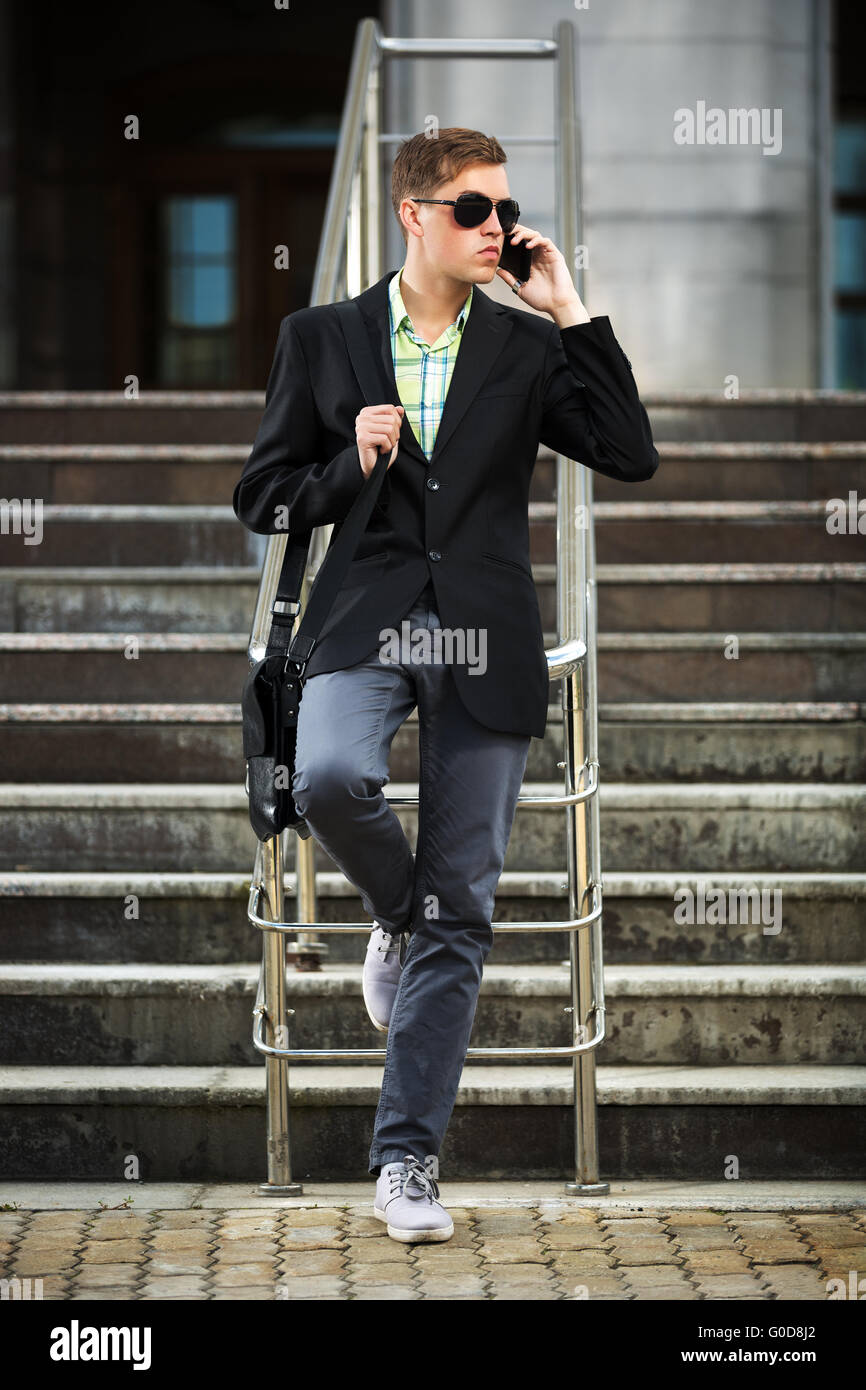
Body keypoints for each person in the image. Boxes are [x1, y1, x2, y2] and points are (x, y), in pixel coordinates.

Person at [232, 127, 659, 1244]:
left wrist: (566, 306)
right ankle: (392, 918)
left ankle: (405, 1161)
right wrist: (345, 465)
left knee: (461, 906)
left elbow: (627, 451)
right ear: (412, 214)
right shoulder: (319, 338)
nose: (497, 230)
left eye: (504, 210)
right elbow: (261, 499)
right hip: (363, 622)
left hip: (484, 632)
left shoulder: (521, 349)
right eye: (474, 209)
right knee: (327, 777)